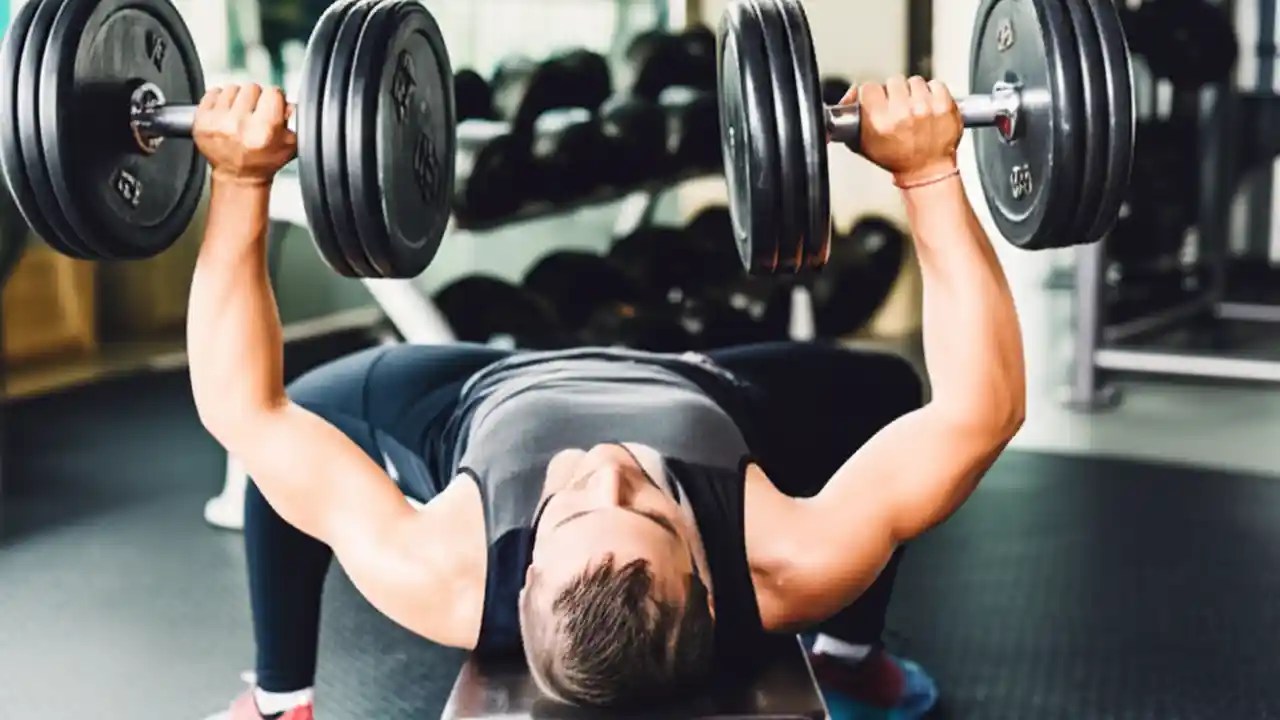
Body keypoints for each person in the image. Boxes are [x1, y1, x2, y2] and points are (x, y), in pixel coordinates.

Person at [194, 76, 1024, 720]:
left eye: (570, 510)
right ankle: (846, 655)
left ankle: (278, 698)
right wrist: (927, 171)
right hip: (706, 381)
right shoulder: (785, 562)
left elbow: (246, 409)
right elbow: (982, 411)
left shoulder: (442, 571)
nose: (605, 465)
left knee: (292, 426)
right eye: (653, 511)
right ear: (706, 582)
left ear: (519, 589)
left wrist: (238, 182)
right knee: (886, 390)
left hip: (480, 391)